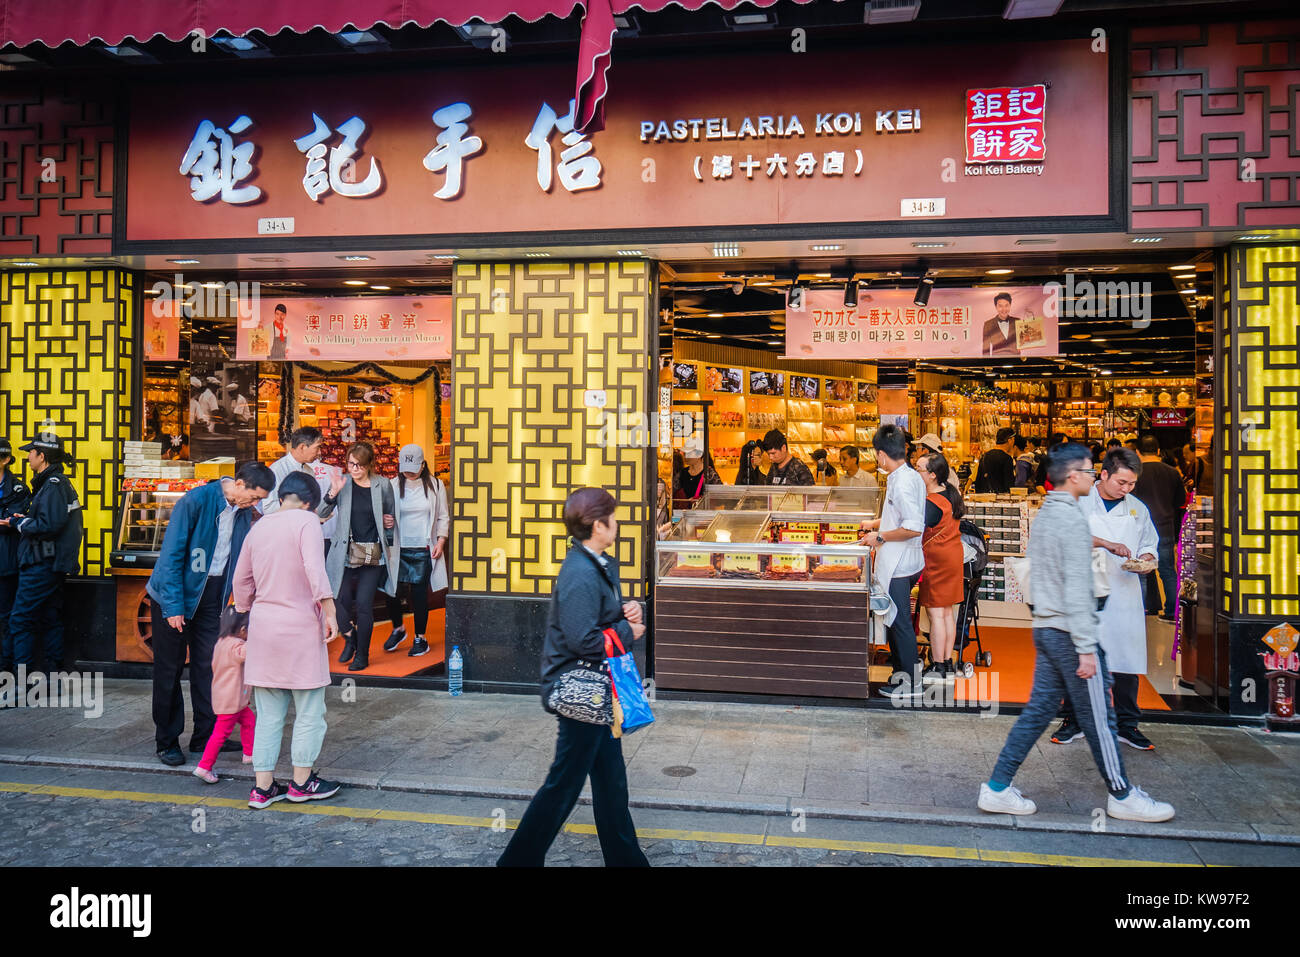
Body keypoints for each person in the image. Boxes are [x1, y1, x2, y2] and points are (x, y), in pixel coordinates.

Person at [978, 443, 1174, 823]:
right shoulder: (1069, 517)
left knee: (1037, 713)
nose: (1092, 475)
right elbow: (1075, 586)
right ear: (1074, 476)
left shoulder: (1052, 512)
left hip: (1050, 627)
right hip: (1071, 631)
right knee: (1100, 719)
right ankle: (1122, 794)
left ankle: (998, 788)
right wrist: (1086, 647)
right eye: (1087, 470)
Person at [497, 487, 649, 867]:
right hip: (581, 690)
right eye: (611, 518)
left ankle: (627, 860)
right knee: (563, 786)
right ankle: (516, 861)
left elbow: (598, 619)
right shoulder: (580, 572)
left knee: (611, 784)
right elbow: (583, 639)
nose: (617, 523)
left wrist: (625, 610)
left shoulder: (594, 562)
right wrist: (630, 632)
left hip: (598, 691)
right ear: (598, 525)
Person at [147, 461, 275, 766]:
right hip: (174, 593)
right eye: (255, 497)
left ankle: (204, 736)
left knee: (209, 667)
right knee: (170, 669)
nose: (255, 504)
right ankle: (167, 741)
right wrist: (173, 606)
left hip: (211, 597)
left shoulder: (243, 512)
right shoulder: (196, 500)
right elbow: (171, 556)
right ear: (240, 484)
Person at [232, 472, 342, 808]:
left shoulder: (259, 526)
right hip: (299, 628)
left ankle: (262, 789)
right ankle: (301, 782)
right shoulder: (308, 522)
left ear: (281, 497)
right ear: (309, 501)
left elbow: (241, 581)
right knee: (309, 708)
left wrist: (249, 609)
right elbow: (314, 567)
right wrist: (329, 610)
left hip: (264, 629)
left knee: (268, 713)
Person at [1053, 447, 1160, 752]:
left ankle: (1127, 724)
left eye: (1131, 484)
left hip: (1124, 590)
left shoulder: (1138, 509)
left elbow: (1148, 543)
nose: (1127, 489)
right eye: (1121, 483)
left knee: (1125, 659)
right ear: (1103, 475)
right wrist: (1105, 543)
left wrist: (1148, 557)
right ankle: (1073, 719)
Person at [857, 425, 927, 699]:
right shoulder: (906, 476)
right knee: (898, 621)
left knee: (899, 623)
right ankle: (901, 674)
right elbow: (902, 516)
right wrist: (875, 523)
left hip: (900, 563)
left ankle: (909, 682)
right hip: (903, 561)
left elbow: (912, 526)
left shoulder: (901, 481)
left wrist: (880, 536)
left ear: (882, 455)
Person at [5, 433, 81, 675]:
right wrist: (26, 519)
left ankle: (20, 682)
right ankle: (52, 675)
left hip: (42, 563)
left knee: (20, 620)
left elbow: (49, 525)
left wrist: (19, 525)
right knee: (50, 619)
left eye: (31, 453)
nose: (27, 458)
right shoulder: (52, 483)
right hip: (49, 563)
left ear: (42, 456)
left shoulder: (54, 485)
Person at [319, 442, 398, 672]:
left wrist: (389, 524)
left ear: (369, 464)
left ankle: (362, 654)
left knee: (364, 605)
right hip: (344, 551)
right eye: (350, 463)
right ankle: (350, 637)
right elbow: (321, 514)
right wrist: (332, 491)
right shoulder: (342, 483)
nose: (354, 469)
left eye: (359, 465)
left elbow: (390, 517)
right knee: (337, 598)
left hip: (373, 554)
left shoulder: (382, 485)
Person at [384, 445, 449, 658]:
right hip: (398, 546)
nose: (409, 472)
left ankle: (420, 638)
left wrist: (441, 540)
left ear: (423, 465)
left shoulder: (435, 485)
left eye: (413, 467)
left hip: (423, 546)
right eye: (405, 467)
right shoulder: (392, 485)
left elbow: (443, 516)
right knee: (391, 590)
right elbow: (383, 513)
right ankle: (398, 628)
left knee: (419, 594)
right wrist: (386, 520)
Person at [917, 453, 965, 685]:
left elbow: (913, 526)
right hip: (953, 556)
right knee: (946, 613)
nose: (917, 473)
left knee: (936, 614)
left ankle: (937, 665)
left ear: (932, 475)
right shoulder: (950, 493)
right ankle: (946, 662)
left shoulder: (932, 502)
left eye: (920, 469)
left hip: (937, 559)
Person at [192, 620, 254, 784]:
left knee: (249, 720)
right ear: (242, 629)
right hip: (232, 701)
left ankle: (249, 754)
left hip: (231, 698)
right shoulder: (236, 646)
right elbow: (249, 651)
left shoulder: (222, 641)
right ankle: (204, 767)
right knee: (220, 735)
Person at [1133, 434, 1186, 622]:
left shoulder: (1135, 474)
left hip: (1139, 530)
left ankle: (1141, 611)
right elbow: (1181, 502)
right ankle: (1172, 611)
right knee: (1167, 571)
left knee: (1142, 571)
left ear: (1137, 452)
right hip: (1165, 528)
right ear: (1157, 451)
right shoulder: (1172, 472)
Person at [0, 438, 31, 678]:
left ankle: (4, 669)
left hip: (7, 562)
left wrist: (10, 522)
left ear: (7, 460)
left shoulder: (18, 488)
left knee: (6, 618)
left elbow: (12, 522)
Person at [973, 427, 1017, 494]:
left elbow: (978, 481)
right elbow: (1009, 483)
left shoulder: (985, 456)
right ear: (1010, 440)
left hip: (985, 498)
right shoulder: (1007, 458)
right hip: (1000, 499)